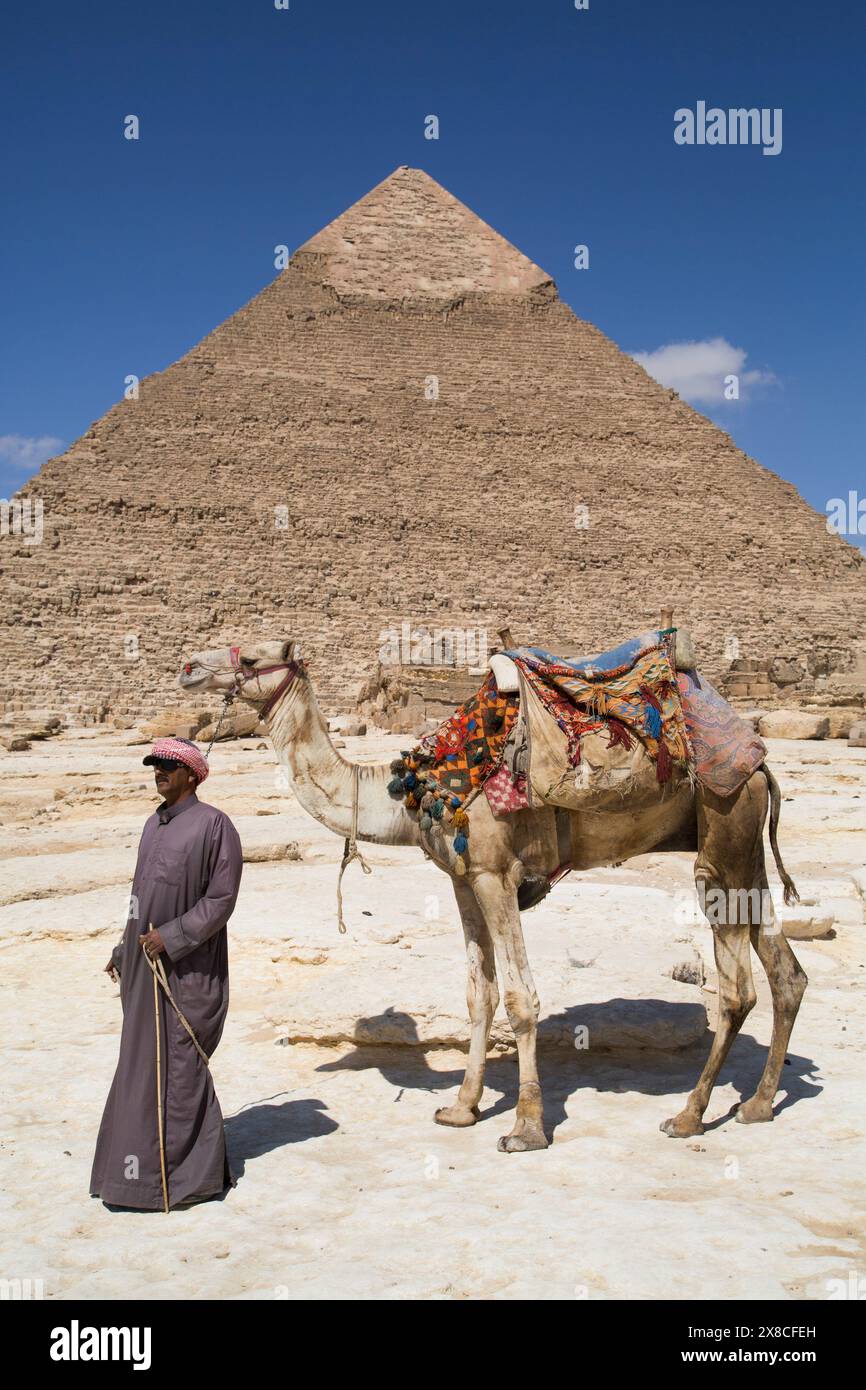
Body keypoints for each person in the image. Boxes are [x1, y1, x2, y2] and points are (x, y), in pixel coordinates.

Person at [90, 737, 243, 1210]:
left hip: (186, 970)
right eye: (155, 765)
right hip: (144, 968)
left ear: (192, 775)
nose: (159, 772)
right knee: (140, 1065)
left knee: (181, 1066)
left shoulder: (216, 826)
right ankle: (130, 1180)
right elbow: (140, 899)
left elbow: (220, 901)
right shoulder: (151, 826)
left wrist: (172, 937)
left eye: (168, 766)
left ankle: (186, 1182)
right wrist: (124, 947)